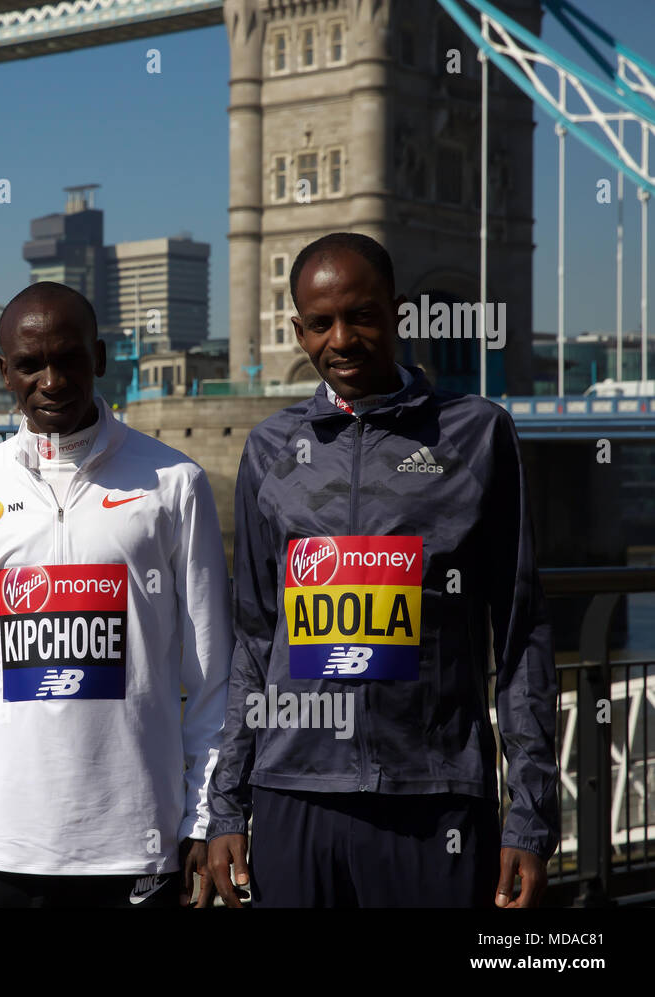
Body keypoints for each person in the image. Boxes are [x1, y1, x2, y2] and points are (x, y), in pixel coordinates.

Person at [207, 232, 559, 908]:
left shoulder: (478, 434)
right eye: (320, 323)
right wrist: (226, 806)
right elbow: (253, 640)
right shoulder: (269, 448)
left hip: (434, 802)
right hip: (292, 794)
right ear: (297, 329)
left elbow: (520, 638)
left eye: (362, 315)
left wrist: (532, 815)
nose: (342, 339)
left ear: (398, 312)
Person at [0, 282, 232, 908]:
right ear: (4, 373)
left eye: (68, 358)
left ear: (98, 358)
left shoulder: (175, 484)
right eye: (29, 365)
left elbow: (212, 676)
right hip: (5, 846)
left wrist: (202, 817)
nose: (51, 380)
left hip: (139, 841)